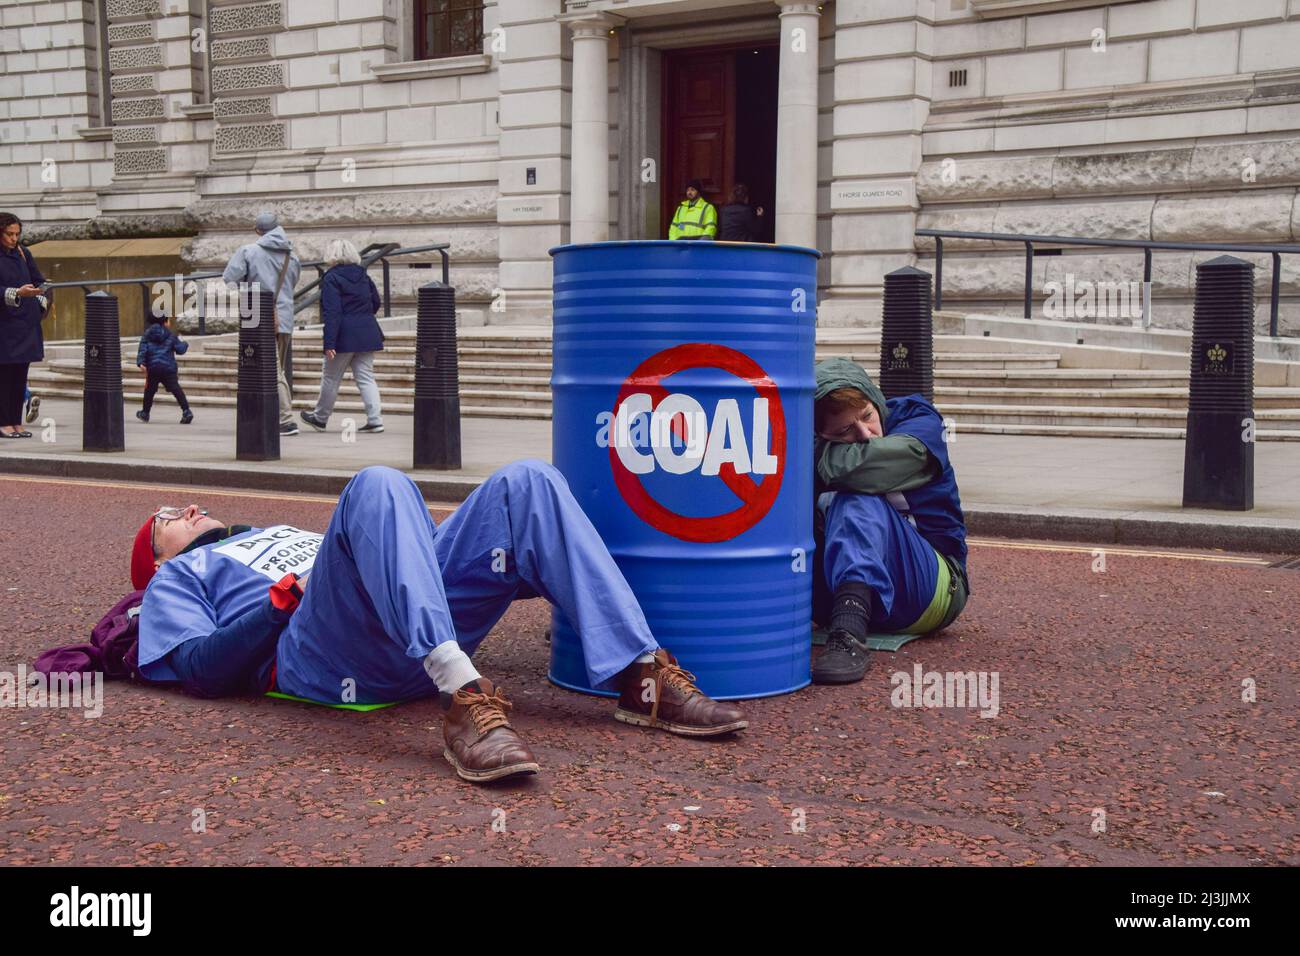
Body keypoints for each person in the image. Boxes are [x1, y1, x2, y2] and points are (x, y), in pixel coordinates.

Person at [128, 461, 749, 784]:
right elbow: (202, 671)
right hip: (322, 654)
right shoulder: (177, 579)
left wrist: (505, 555)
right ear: (154, 559)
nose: (188, 508)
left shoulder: (275, 531)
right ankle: (463, 696)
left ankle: (640, 675)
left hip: (413, 620)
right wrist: (280, 601)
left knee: (523, 482)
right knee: (377, 482)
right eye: (166, 517)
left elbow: (403, 552)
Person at [810, 357, 970, 685]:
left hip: (930, 589)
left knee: (857, 494)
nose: (866, 434)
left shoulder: (918, 417)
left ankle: (849, 633)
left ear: (876, 399)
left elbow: (880, 464)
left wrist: (813, 455)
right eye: (844, 432)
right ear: (819, 432)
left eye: (867, 416)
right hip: (833, 591)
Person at [223, 211, 301, 436]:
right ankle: (271, 415)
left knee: (271, 372)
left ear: (258, 231)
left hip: (256, 317)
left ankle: (285, 420)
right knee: (278, 369)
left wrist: (248, 289)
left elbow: (229, 279)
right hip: (284, 317)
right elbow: (292, 283)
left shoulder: (249, 251)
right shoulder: (291, 256)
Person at [300, 239, 384, 434]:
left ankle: (320, 418)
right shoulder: (363, 274)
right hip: (367, 332)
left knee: (330, 378)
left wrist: (329, 342)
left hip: (344, 335)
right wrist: (362, 317)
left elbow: (332, 312)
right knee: (366, 377)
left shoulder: (331, 277)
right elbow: (376, 301)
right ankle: (375, 419)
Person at [0, 212, 50, 440]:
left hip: (25, 324)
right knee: (4, 377)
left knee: (20, 375)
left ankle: (16, 422)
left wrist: (39, 298)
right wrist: (16, 293)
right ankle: (3, 423)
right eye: (9, 234)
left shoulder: (23, 252)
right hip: (4, 324)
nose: (13, 238)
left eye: (17, 234)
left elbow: (40, 280)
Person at [134, 315, 193, 424]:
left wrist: (141, 363)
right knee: (176, 389)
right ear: (164, 322)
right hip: (168, 368)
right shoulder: (170, 335)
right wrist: (184, 342)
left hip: (153, 368)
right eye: (168, 320)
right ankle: (186, 411)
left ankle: (145, 413)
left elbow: (142, 349)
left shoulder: (147, 334)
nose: (169, 322)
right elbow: (180, 350)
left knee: (149, 391)